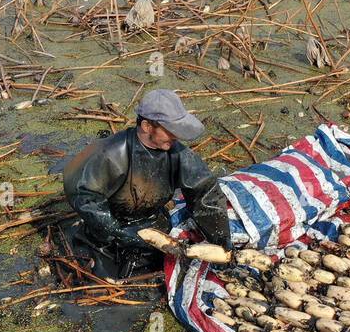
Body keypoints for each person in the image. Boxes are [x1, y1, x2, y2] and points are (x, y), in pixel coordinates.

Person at [60, 90, 230, 281]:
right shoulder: (112, 153)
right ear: (147, 126)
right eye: (169, 130)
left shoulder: (178, 154)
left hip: (154, 225)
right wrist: (114, 230)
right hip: (110, 229)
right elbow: (83, 193)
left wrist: (221, 238)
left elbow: (205, 191)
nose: (175, 136)